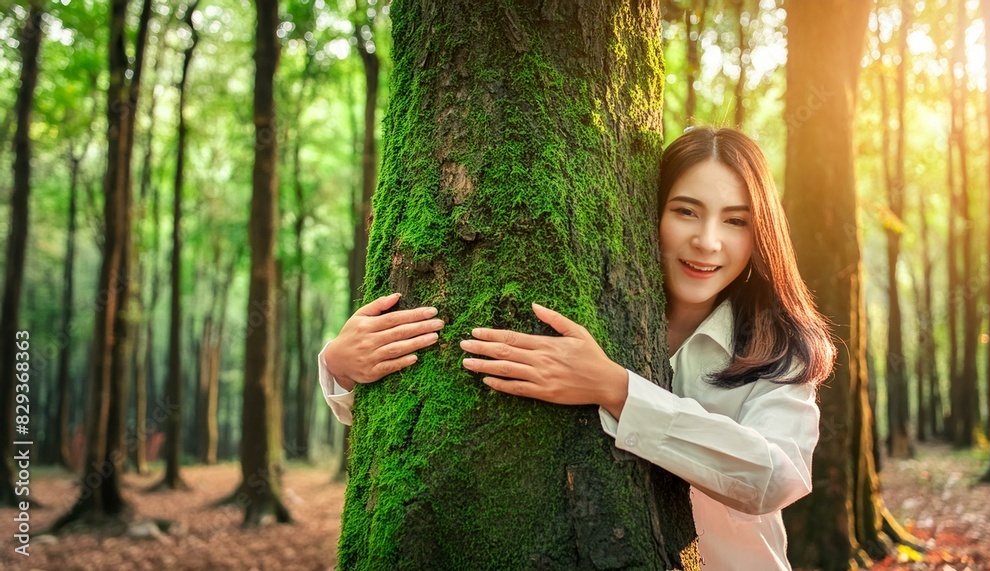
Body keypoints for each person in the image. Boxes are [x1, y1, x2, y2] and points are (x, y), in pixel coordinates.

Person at [318, 127, 836, 570]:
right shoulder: (595, 306)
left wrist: (615, 389)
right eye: (686, 211)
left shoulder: (778, 349)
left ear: (760, 232)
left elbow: (776, 476)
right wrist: (340, 368)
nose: (707, 241)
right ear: (648, 215)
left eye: (735, 220)